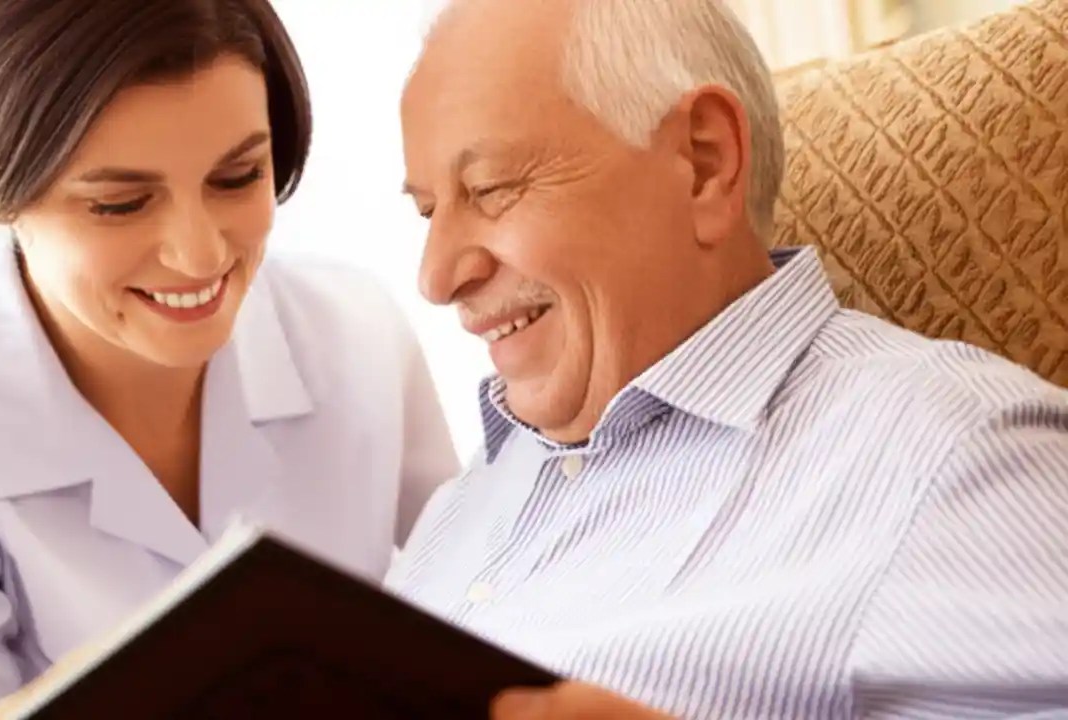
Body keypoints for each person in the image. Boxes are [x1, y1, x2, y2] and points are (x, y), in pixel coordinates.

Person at [388, 0, 1068, 717]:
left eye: (491, 189)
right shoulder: (465, 502)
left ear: (703, 164)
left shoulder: (945, 459)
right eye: (431, 212)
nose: (436, 278)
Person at [0, 1, 459, 718]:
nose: (200, 253)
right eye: (120, 204)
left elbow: (486, 616)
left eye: (236, 177)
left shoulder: (358, 338)